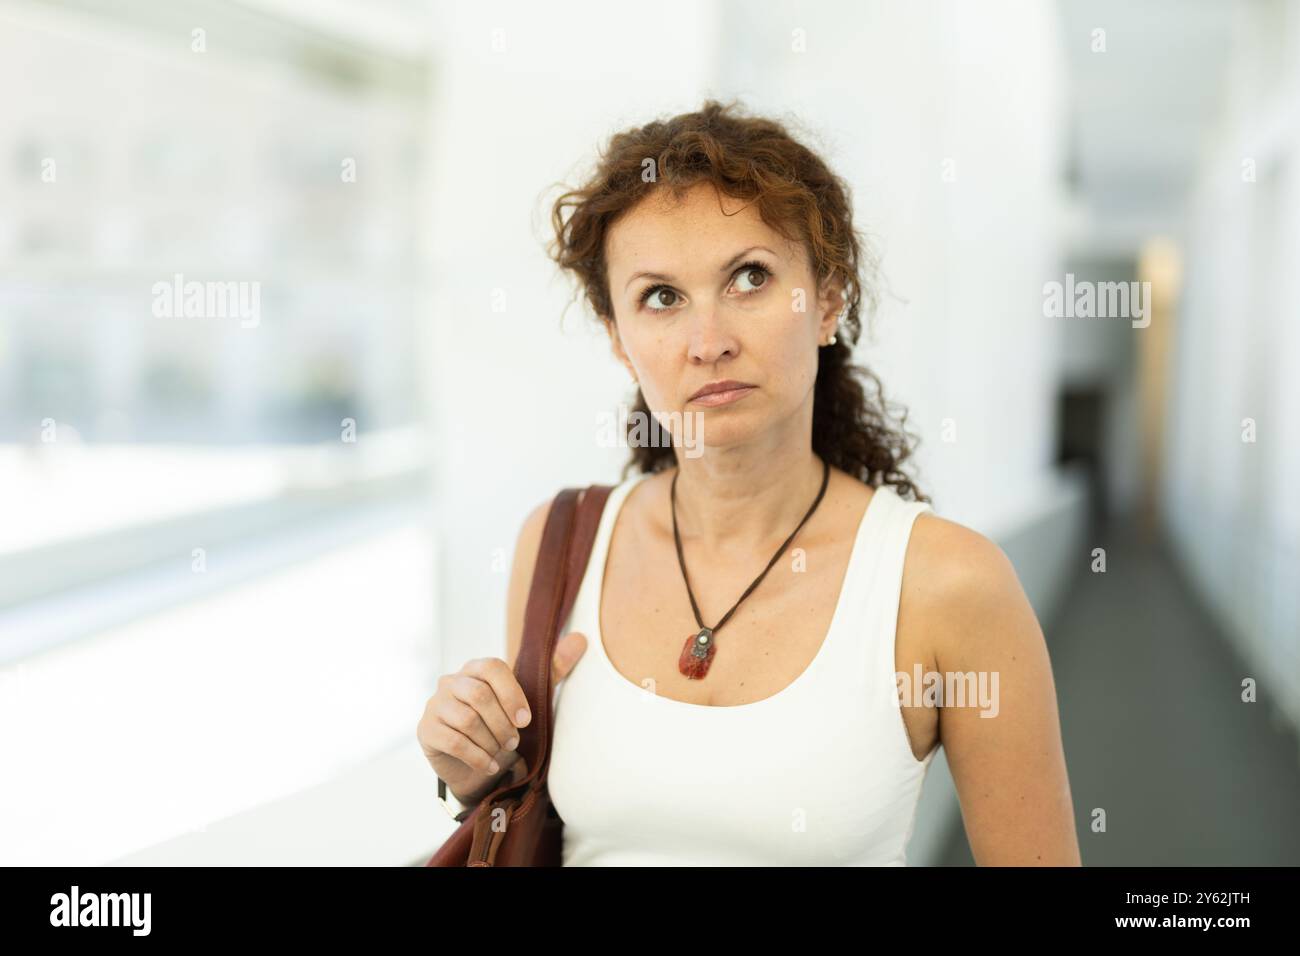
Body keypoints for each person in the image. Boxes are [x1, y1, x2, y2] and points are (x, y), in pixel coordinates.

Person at [417, 99, 1081, 865]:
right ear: (619, 341)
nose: (709, 342)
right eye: (661, 297)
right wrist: (479, 774)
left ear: (828, 301)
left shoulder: (947, 584)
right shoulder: (561, 544)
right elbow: (534, 818)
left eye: (749, 277)